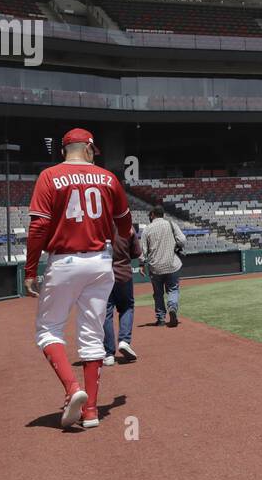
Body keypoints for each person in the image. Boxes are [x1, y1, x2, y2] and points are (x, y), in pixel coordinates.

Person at [25, 128, 132, 429]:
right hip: (100, 262)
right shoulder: (108, 178)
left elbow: (37, 228)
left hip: (64, 260)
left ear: (63, 151)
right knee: (92, 335)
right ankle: (92, 412)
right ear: (88, 148)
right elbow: (125, 225)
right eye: (93, 151)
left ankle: (73, 389)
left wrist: (30, 269)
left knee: (48, 330)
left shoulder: (49, 176)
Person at [102, 223, 142, 365]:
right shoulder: (126, 226)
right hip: (123, 273)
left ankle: (109, 354)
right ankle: (124, 341)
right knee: (126, 307)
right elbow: (136, 252)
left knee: (106, 313)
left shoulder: (99, 224)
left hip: (103, 275)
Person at [140, 205, 184, 327]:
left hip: (156, 267)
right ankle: (172, 308)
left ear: (153, 215)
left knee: (158, 294)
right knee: (173, 289)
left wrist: (142, 264)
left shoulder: (147, 229)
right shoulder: (171, 224)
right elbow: (182, 240)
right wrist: (177, 245)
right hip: (171, 264)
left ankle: (160, 318)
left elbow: (143, 249)